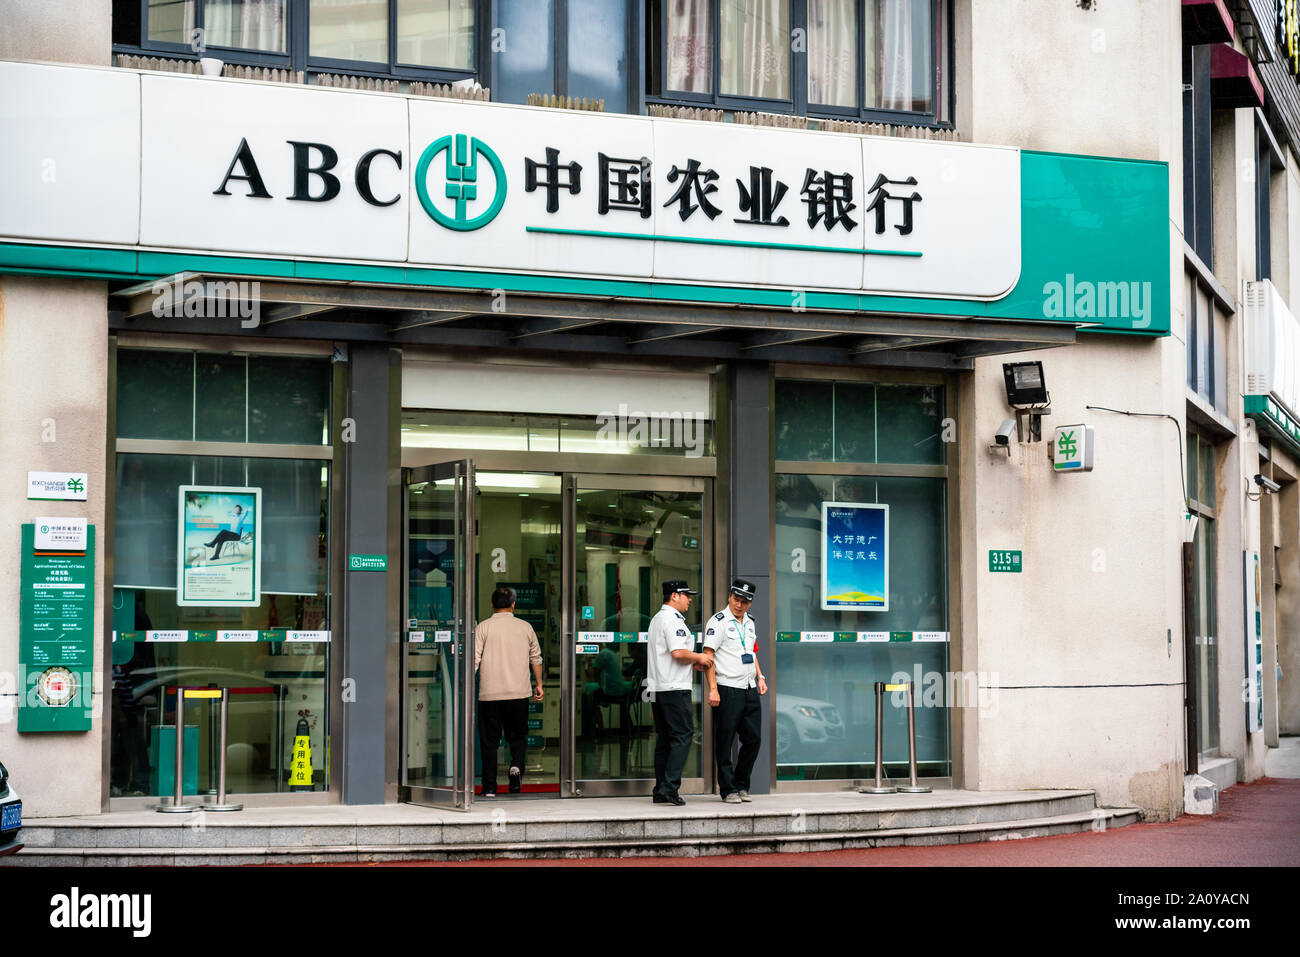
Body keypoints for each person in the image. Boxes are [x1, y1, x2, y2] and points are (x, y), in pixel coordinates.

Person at [701, 578, 768, 803]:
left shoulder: (750, 622)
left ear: (750, 603)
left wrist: (760, 677)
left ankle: (742, 785)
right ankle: (728, 789)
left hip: (749, 688)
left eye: (744, 602)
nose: (739, 605)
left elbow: (752, 651)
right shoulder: (718, 622)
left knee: (753, 739)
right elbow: (708, 657)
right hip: (727, 688)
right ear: (730, 596)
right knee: (725, 740)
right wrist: (713, 688)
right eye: (736, 599)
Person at [646, 579, 711, 805]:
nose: (690, 599)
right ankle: (669, 788)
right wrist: (699, 657)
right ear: (674, 596)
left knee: (665, 739)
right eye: (686, 595)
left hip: (659, 687)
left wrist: (691, 662)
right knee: (683, 736)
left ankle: (660, 789)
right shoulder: (672, 620)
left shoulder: (656, 619)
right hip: (674, 688)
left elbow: (668, 654)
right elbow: (677, 652)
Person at [474, 586, 544, 797]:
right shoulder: (525, 627)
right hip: (518, 693)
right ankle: (516, 767)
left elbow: (474, 659)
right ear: (513, 604)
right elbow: (536, 658)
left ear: (492, 604)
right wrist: (539, 684)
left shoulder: (483, 627)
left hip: (490, 695)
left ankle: (489, 787)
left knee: (489, 742)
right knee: (517, 737)